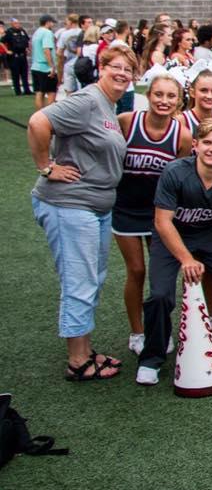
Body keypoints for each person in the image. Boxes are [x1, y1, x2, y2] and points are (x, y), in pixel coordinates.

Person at [29, 45, 136, 381]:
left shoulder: (107, 104)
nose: (122, 74)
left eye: (128, 69)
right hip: (70, 204)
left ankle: (85, 350)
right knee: (80, 280)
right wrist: (47, 167)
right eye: (116, 66)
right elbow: (38, 122)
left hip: (94, 207)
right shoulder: (88, 100)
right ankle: (78, 360)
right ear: (102, 68)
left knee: (92, 278)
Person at [135, 119, 212, 385]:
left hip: (209, 231)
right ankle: (151, 357)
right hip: (172, 234)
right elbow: (162, 221)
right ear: (195, 145)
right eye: (207, 142)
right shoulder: (175, 172)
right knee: (159, 295)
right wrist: (186, 259)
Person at [113, 72, 192, 355]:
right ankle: (137, 331)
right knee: (136, 270)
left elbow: (180, 179)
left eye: (171, 96)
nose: (164, 101)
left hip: (160, 214)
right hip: (125, 209)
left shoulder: (182, 135)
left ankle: (160, 328)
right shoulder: (126, 122)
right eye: (158, 94)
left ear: (179, 101)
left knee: (162, 278)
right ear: (148, 95)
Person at [30, 14, 57, 110]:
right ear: (47, 22)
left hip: (35, 66)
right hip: (45, 67)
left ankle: (39, 115)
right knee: (51, 93)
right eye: (52, 22)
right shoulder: (47, 33)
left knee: (39, 92)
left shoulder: (36, 32)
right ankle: (49, 116)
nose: (53, 25)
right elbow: (46, 50)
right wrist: (51, 66)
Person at [3, 18, 32, 96]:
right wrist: (7, 51)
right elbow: (1, 42)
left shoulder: (22, 31)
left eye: (19, 23)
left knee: (24, 74)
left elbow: (27, 40)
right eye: (16, 23)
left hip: (23, 55)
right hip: (14, 56)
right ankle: (18, 91)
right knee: (15, 75)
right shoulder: (9, 32)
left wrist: (28, 48)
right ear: (12, 24)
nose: (18, 25)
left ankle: (27, 90)